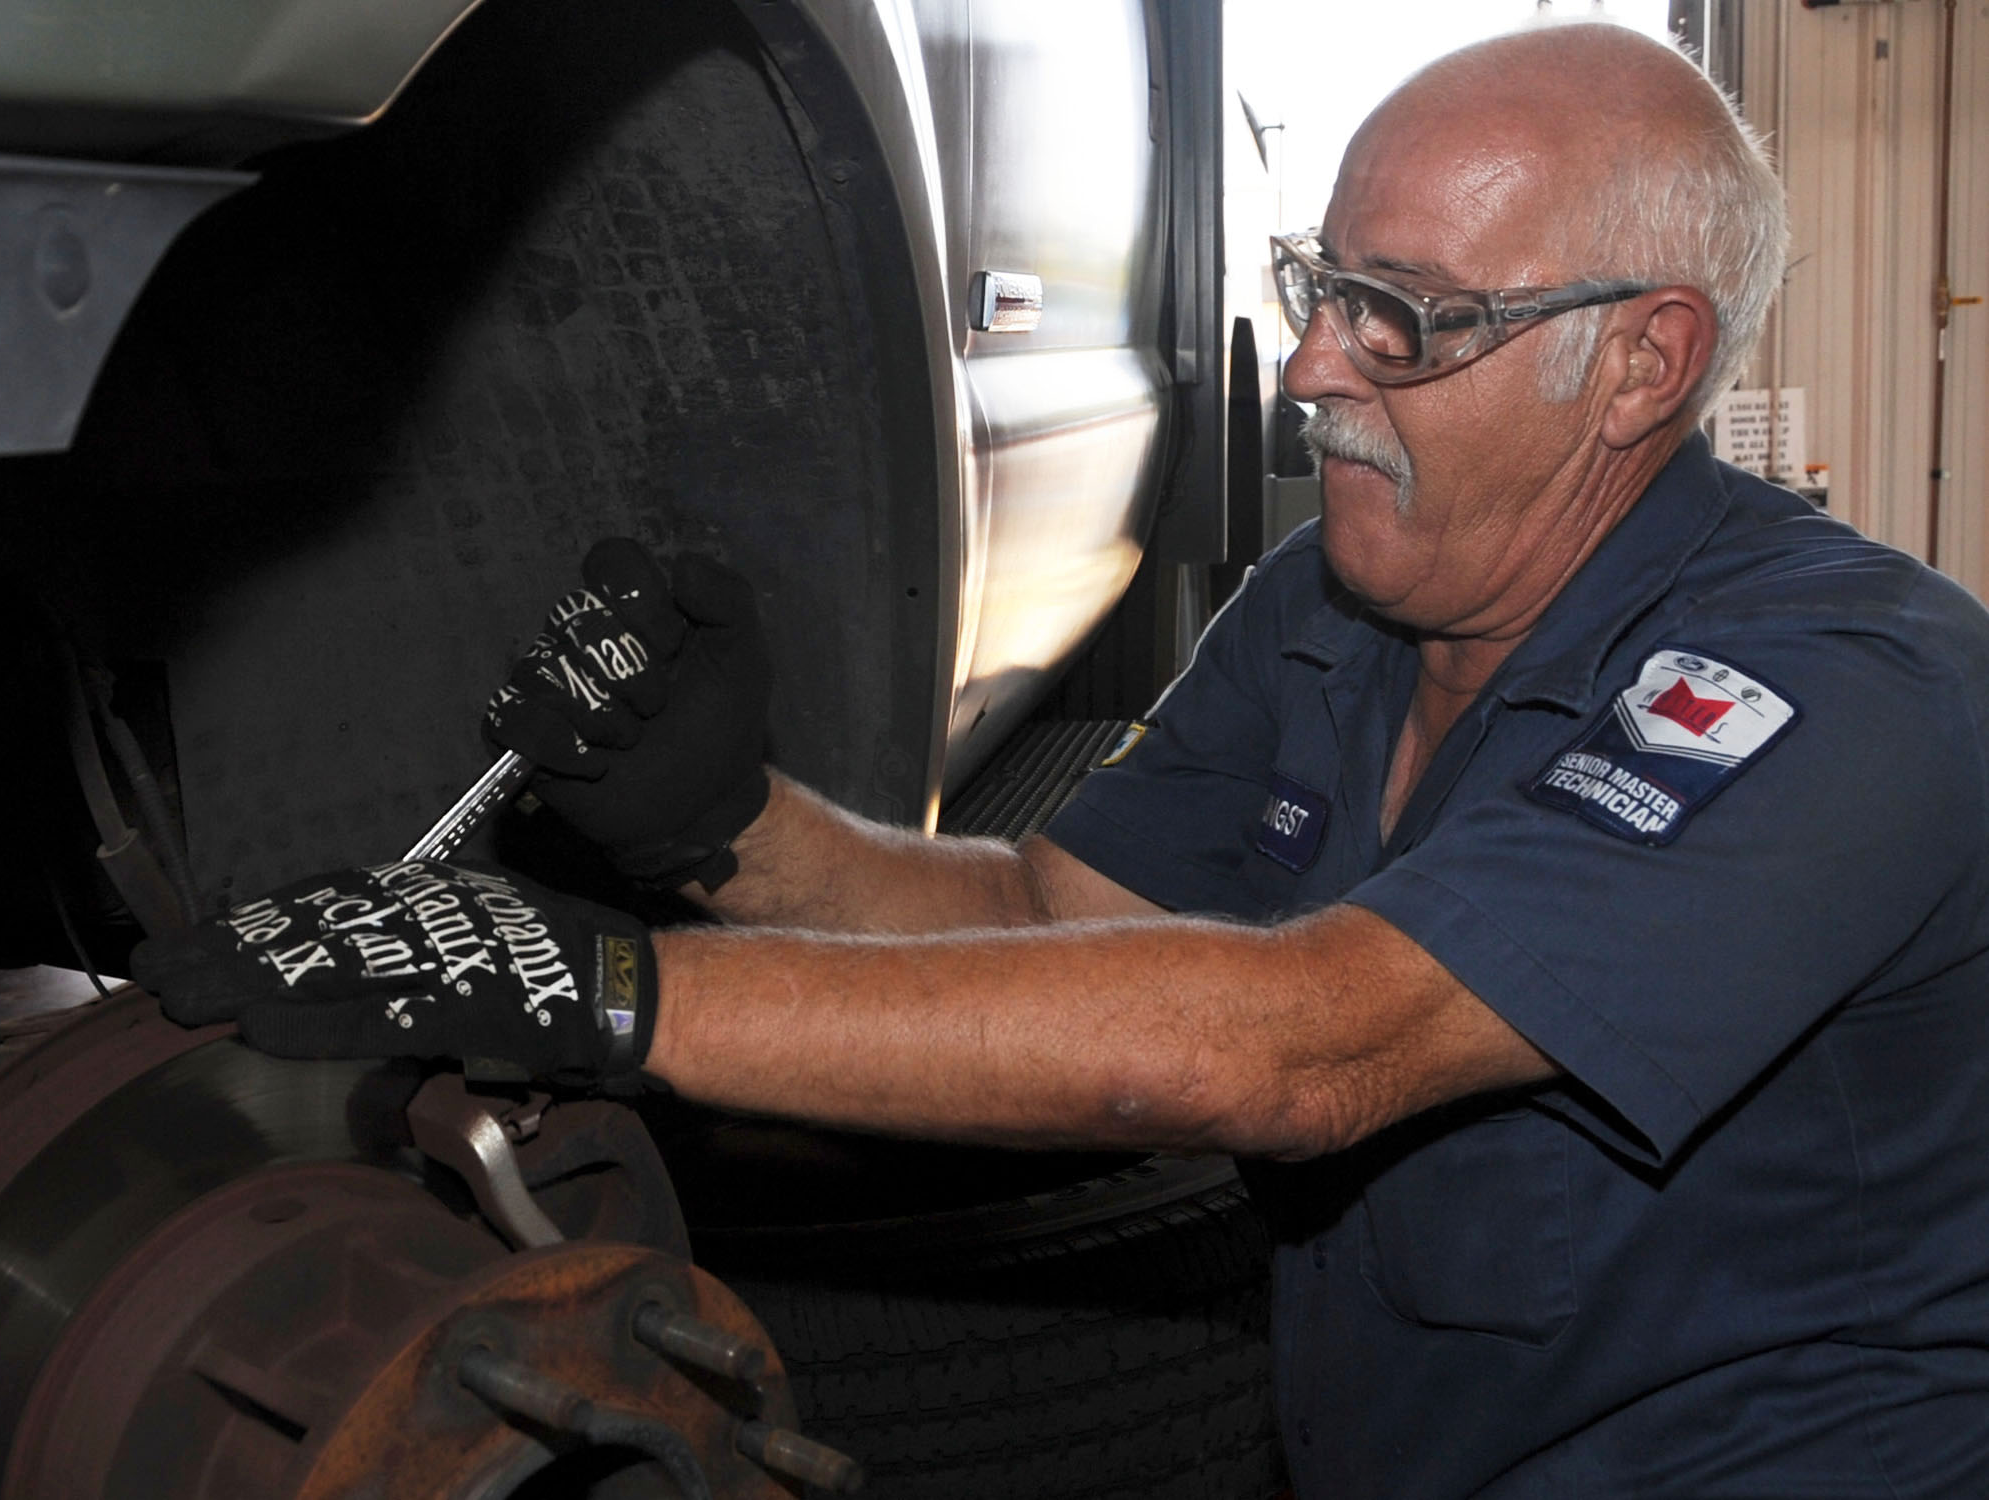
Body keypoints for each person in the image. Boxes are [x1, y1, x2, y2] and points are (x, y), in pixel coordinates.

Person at [135, 23, 1989, 1498]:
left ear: (1645, 363)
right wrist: (724, 827)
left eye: (1405, 318)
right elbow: (1044, 907)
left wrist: (612, 986)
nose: (1312, 371)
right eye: (1319, 282)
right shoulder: (1335, 599)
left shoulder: (1843, 683)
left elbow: (1302, 1044)